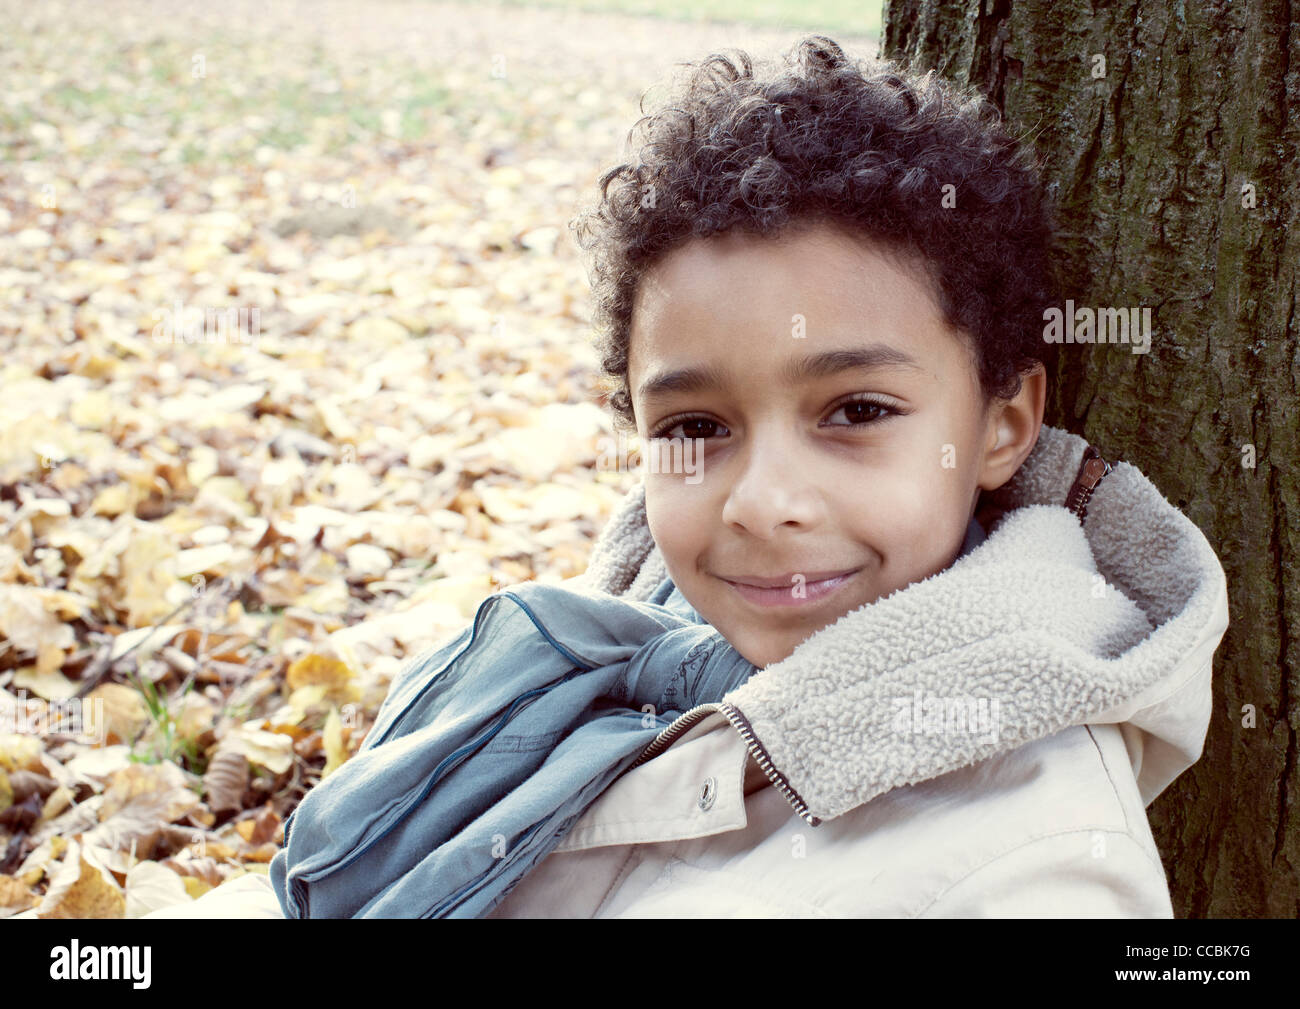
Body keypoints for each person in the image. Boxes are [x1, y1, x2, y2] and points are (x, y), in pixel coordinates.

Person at [146, 35, 1229, 919]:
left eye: (856, 411)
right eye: (697, 425)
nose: (763, 503)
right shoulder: (607, 644)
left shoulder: (1033, 868)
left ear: (1003, 422)